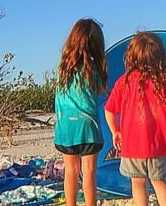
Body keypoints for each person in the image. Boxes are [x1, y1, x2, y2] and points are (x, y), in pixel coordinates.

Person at [104, 32, 166, 206]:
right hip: (158, 144)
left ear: (131, 56)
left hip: (132, 145)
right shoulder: (164, 80)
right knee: (158, 181)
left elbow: (109, 110)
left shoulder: (124, 82)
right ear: (159, 57)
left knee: (137, 182)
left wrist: (115, 132)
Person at [53, 18, 108, 206]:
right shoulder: (93, 68)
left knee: (70, 171)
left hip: (65, 126)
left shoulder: (62, 67)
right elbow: (100, 91)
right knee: (89, 172)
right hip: (88, 126)